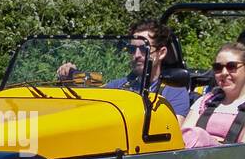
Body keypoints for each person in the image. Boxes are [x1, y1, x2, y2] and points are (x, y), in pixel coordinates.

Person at [57, 18, 193, 118]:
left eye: (144, 49)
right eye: (132, 49)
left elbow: (174, 135)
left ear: (161, 53)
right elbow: (97, 90)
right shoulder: (121, 84)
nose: (136, 55)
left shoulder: (174, 91)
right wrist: (72, 76)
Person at [180, 42, 245, 148]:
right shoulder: (204, 101)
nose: (224, 73)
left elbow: (244, 150)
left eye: (232, 66)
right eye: (218, 67)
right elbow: (182, 139)